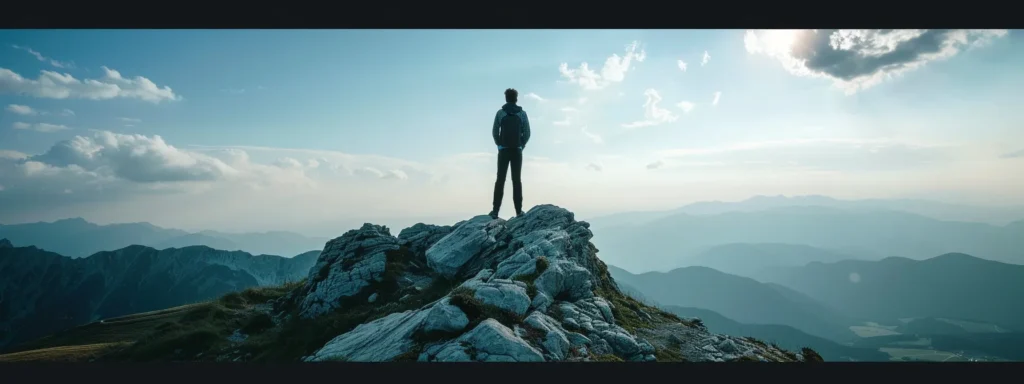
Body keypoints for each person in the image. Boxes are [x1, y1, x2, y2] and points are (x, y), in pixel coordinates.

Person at [489, 88, 531, 219]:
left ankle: (495, 211)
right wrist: (521, 146)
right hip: (516, 151)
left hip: (504, 150)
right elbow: (527, 132)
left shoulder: (500, 113)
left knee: (500, 180)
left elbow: (495, 130)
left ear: (506, 98)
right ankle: (519, 211)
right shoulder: (522, 114)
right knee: (516, 180)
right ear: (516, 98)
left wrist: (499, 145)